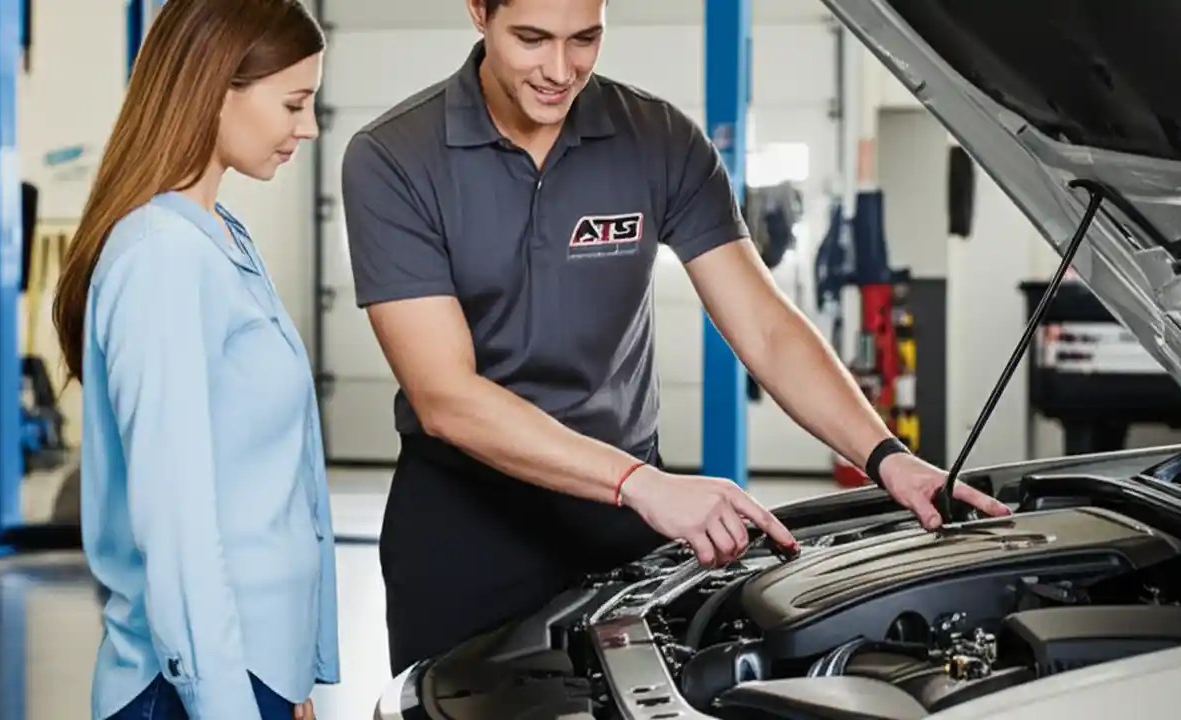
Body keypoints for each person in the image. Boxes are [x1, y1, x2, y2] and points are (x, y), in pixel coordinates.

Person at [340, 0, 1012, 675]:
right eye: (532, 39)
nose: (559, 69)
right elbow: (446, 396)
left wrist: (886, 456)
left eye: (585, 39)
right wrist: (640, 482)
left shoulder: (657, 139)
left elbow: (768, 329)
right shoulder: (395, 157)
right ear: (478, 12)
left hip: (620, 528)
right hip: (467, 523)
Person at [51, 1, 337, 718]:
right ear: (216, 91)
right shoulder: (161, 257)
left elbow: (277, 482)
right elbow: (175, 521)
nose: (306, 127)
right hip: (195, 688)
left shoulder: (220, 235)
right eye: (294, 103)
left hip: (256, 666)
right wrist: (224, 702)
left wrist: (293, 675)